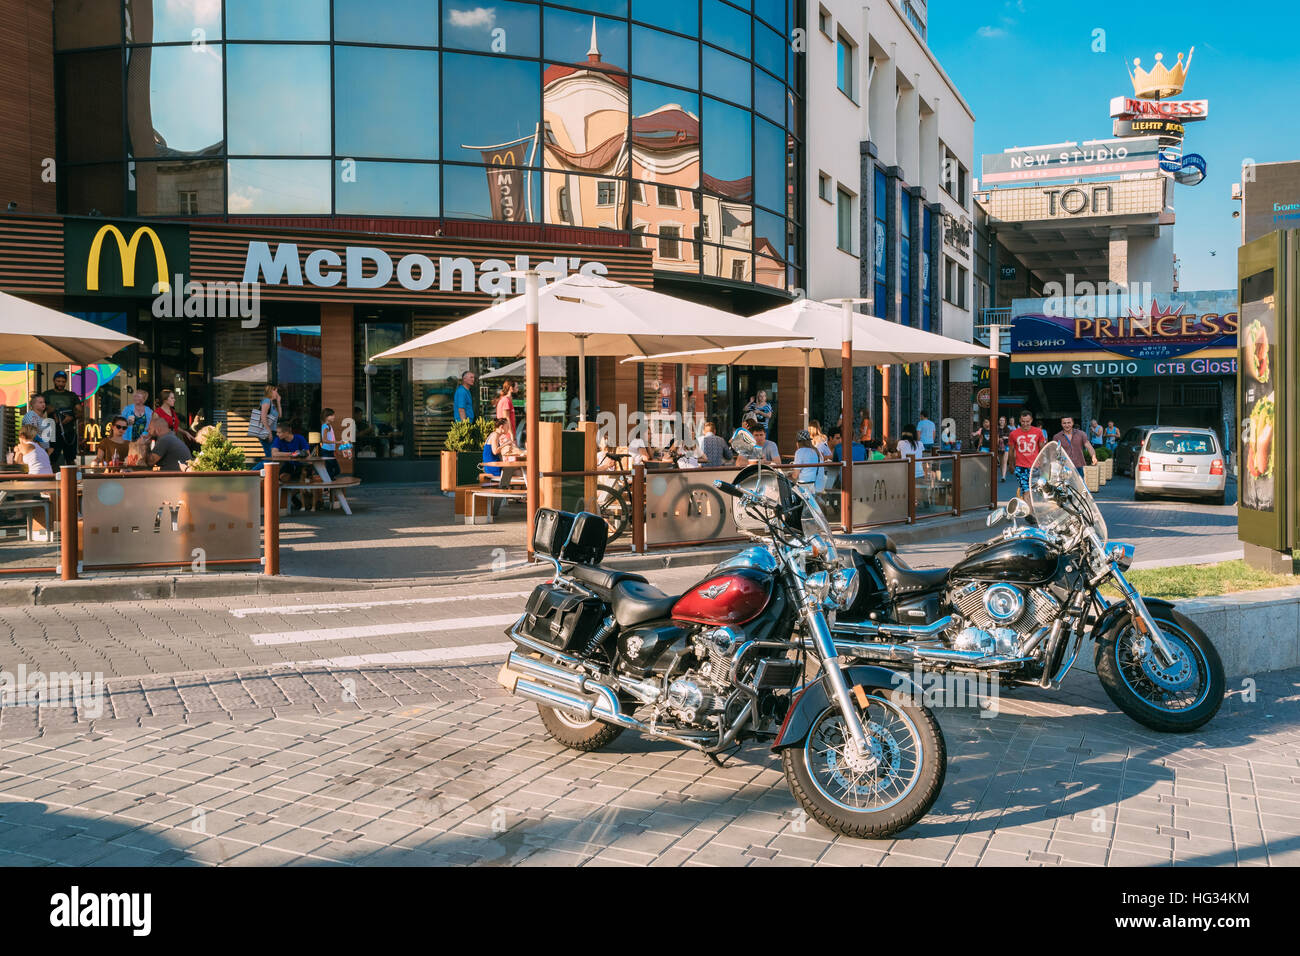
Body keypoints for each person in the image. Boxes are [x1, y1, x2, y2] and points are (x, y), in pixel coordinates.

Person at [42, 370, 81, 467]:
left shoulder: (72, 395)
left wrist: (71, 417)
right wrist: (49, 410)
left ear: (66, 382)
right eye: (58, 381)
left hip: (69, 431)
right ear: (54, 381)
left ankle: (71, 480)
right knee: (52, 458)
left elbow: (80, 411)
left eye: (63, 382)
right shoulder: (46, 394)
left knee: (70, 459)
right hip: (52, 431)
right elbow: (38, 410)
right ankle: (51, 479)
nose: (60, 384)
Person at [1009, 409, 1047, 501]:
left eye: (1027, 421)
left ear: (1031, 420)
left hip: (1035, 467)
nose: (1025, 424)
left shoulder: (1038, 432)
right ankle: (1029, 514)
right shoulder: (1013, 434)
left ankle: (1031, 511)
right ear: (1019, 420)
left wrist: (1043, 464)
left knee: (1034, 491)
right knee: (1026, 491)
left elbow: (1042, 449)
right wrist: (1010, 465)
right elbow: (1011, 451)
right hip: (1020, 467)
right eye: (1023, 421)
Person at [248, 385, 279, 459]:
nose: (277, 394)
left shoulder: (272, 403)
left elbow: (279, 416)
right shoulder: (266, 401)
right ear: (271, 391)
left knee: (271, 457)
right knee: (270, 458)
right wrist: (269, 432)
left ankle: (255, 471)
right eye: (276, 391)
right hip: (267, 433)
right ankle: (253, 471)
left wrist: (279, 402)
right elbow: (263, 417)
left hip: (272, 432)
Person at [319, 408, 350, 480]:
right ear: (326, 417)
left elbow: (331, 439)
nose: (334, 416)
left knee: (330, 470)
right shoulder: (325, 426)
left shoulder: (329, 426)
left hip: (329, 451)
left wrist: (335, 449)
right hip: (326, 451)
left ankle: (328, 483)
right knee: (337, 470)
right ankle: (325, 479)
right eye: (332, 415)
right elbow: (324, 440)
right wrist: (338, 442)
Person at [997, 415, 1012, 481]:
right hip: (999, 446)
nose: (1001, 421)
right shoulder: (997, 428)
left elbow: (1010, 437)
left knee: (1005, 461)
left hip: (1006, 445)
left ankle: (1003, 476)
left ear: (1005, 422)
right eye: (1000, 420)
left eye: (1003, 420)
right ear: (999, 421)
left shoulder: (1007, 429)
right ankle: (1002, 474)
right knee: (1001, 462)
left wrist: (1006, 437)